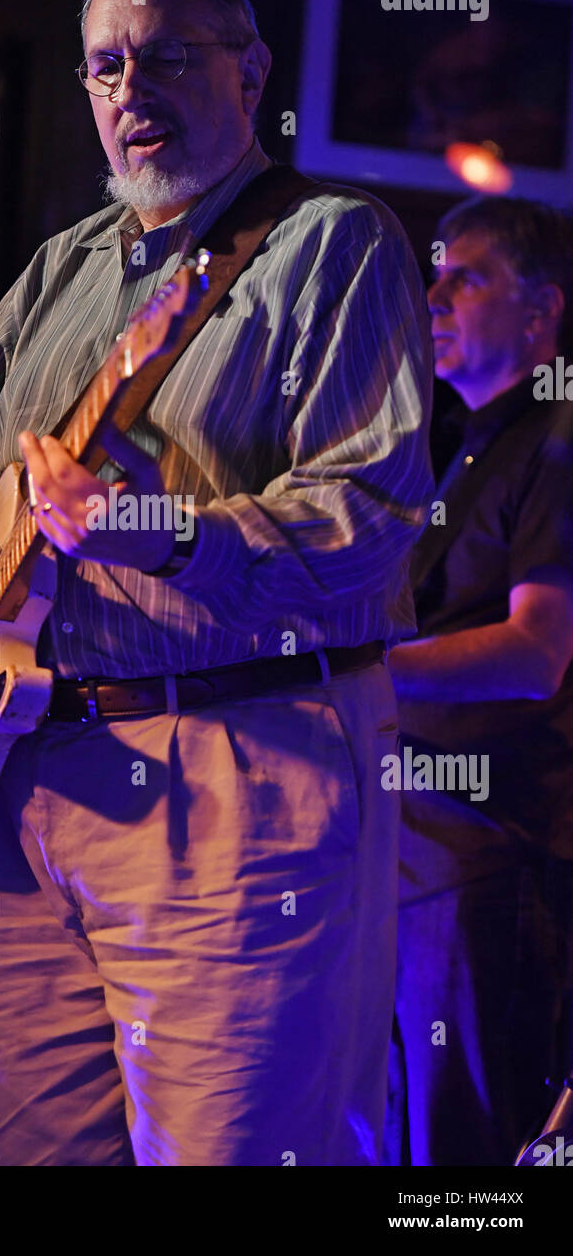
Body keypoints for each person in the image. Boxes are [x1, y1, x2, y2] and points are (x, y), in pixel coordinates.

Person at [0, 0, 433, 1166]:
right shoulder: (61, 269)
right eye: (107, 65)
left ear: (249, 68)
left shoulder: (332, 244)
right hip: (25, 779)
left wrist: (157, 535)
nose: (132, 88)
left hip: (238, 774)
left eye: (167, 56)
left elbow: (368, 517)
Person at [384, 196, 573, 1166]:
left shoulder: (558, 435)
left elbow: (537, 650)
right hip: (413, 843)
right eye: (434, 270)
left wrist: (357, 675)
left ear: (539, 314)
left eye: (467, 275)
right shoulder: (460, 445)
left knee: (461, 1154)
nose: (433, 293)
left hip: (483, 848)